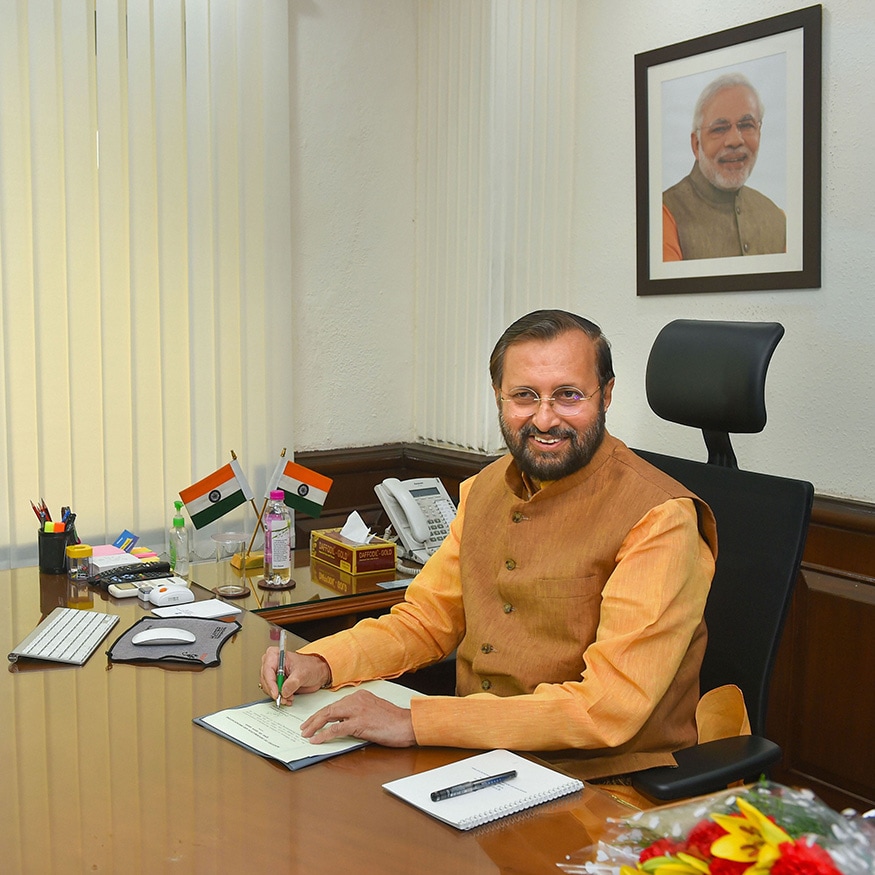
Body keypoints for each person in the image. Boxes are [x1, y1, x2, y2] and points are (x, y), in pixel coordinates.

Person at [260, 309, 718, 781]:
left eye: (569, 395)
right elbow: (426, 622)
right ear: (499, 398)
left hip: (604, 782)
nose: (544, 418)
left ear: (606, 395)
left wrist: (415, 722)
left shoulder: (661, 517)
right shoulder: (483, 489)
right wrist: (320, 662)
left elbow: (606, 710)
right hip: (477, 758)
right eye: (524, 396)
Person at [663, 72, 786, 261]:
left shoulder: (778, 219)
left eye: (746, 125)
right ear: (696, 144)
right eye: (719, 129)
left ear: (759, 134)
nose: (735, 140)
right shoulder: (665, 214)